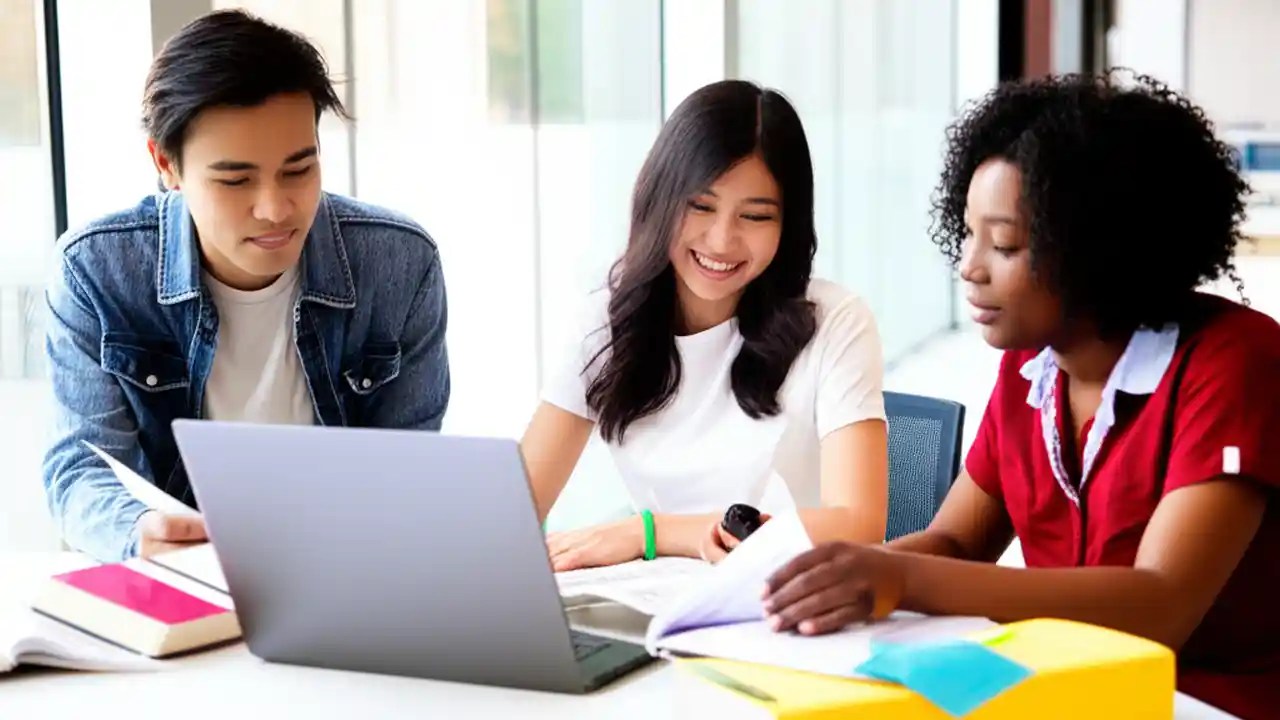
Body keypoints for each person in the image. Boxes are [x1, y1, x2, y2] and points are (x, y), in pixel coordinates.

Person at [759, 72, 1279, 719]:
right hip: (1056, 693)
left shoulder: (1235, 362)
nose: (969, 266)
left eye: (1003, 243)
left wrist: (902, 579)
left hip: (1202, 703)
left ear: (1098, 247)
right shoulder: (1032, 367)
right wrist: (836, 576)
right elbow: (954, 541)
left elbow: (1160, 606)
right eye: (968, 233)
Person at [42, 10, 450, 563]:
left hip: (345, 570)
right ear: (167, 164)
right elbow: (81, 467)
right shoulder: (97, 270)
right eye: (235, 180)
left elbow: (409, 467)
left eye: (299, 170)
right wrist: (141, 531)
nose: (275, 209)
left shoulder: (399, 262)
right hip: (179, 578)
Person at [521, 80, 889, 572]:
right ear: (660, 199)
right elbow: (518, 507)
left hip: (783, 601)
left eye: (755, 216)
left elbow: (859, 525)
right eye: (700, 206)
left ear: (789, 224)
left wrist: (649, 533)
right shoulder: (608, 318)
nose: (721, 240)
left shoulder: (835, 322)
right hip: (649, 604)